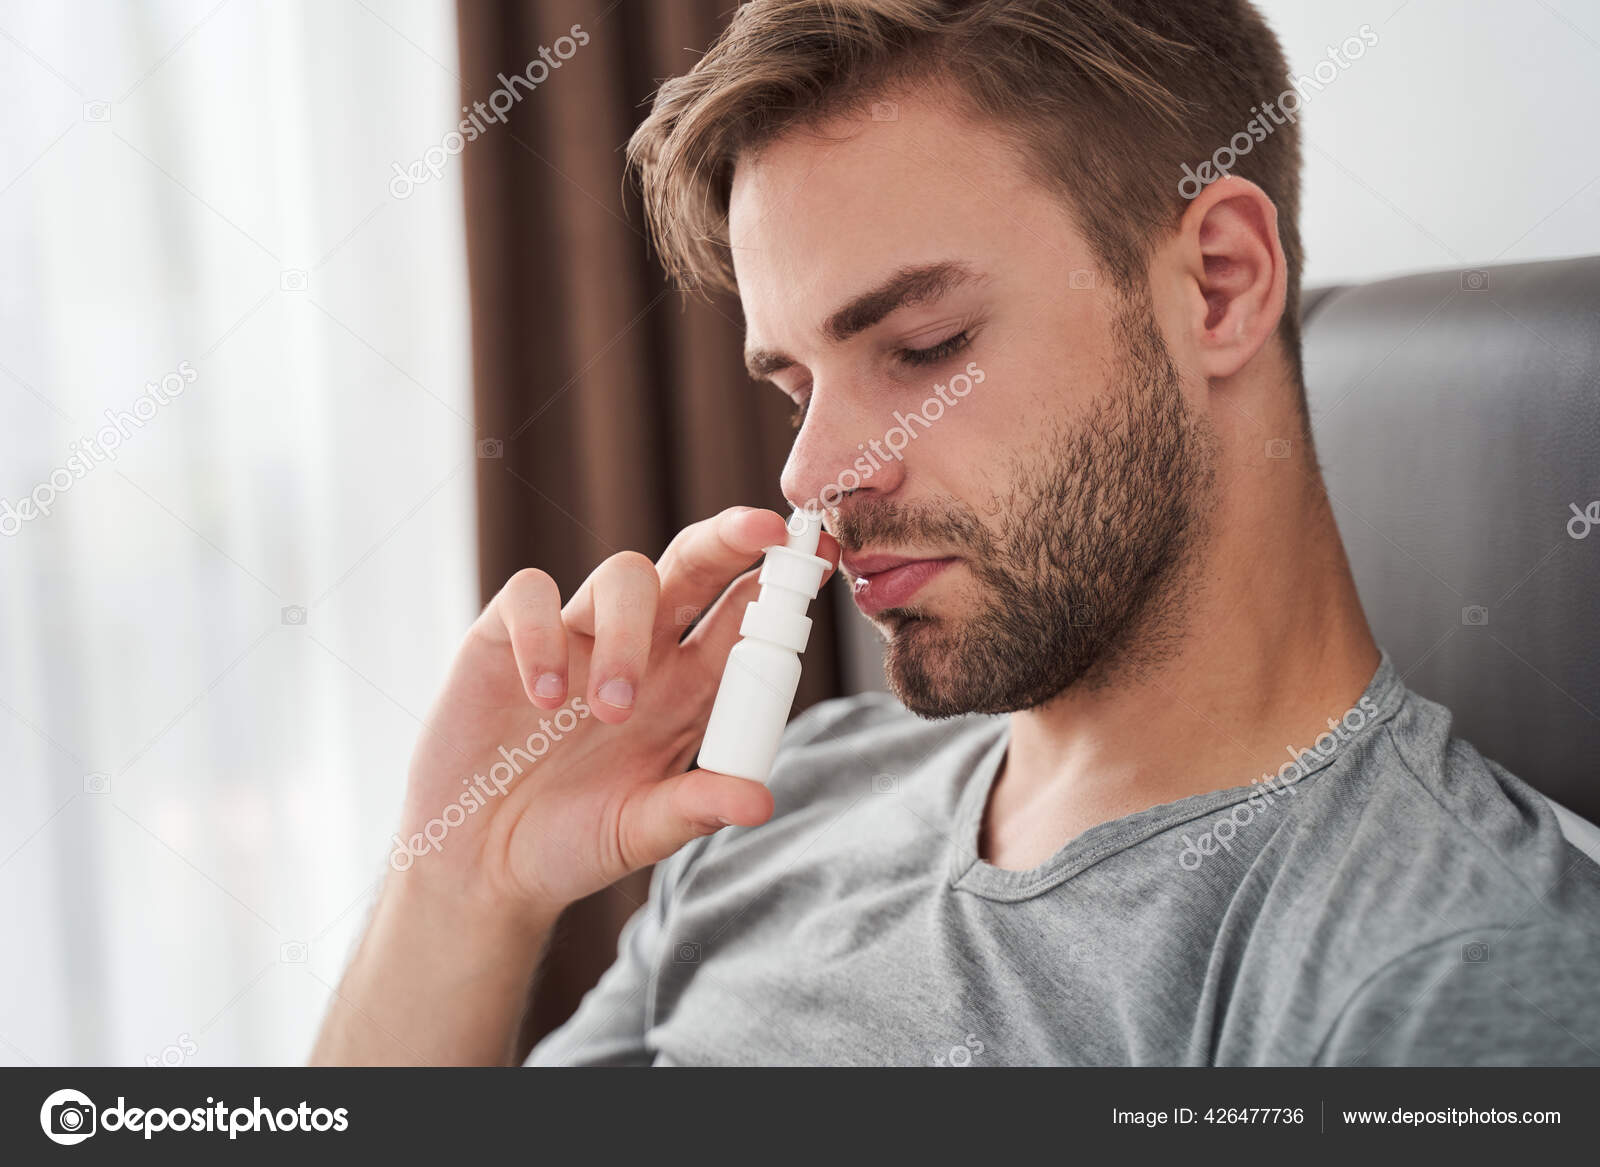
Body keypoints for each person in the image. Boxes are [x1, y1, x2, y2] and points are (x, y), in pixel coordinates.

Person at [313, 0, 1600, 1066]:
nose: (812, 477)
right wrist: (461, 881)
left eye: (923, 349)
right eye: (794, 384)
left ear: (1216, 284)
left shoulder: (1438, 978)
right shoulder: (789, 796)